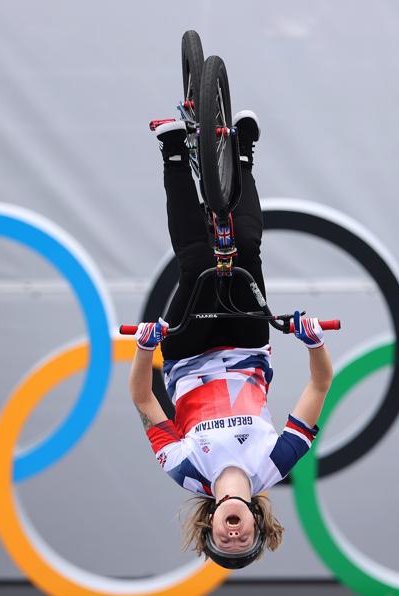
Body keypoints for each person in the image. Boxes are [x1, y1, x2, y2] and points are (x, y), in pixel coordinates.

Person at [128, 109, 334, 570]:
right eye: (244, 540)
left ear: (211, 526)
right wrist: (314, 342)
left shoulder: (185, 470)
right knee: (246, 247)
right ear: (258, 523)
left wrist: (144, 348)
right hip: (246, 346)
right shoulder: (276, 462)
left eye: (225, 541)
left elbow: (143, 399)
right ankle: (242, 152)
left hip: (188, 352)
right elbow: (320, 386)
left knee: (197, 261)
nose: (234, 535)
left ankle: (173, 151)